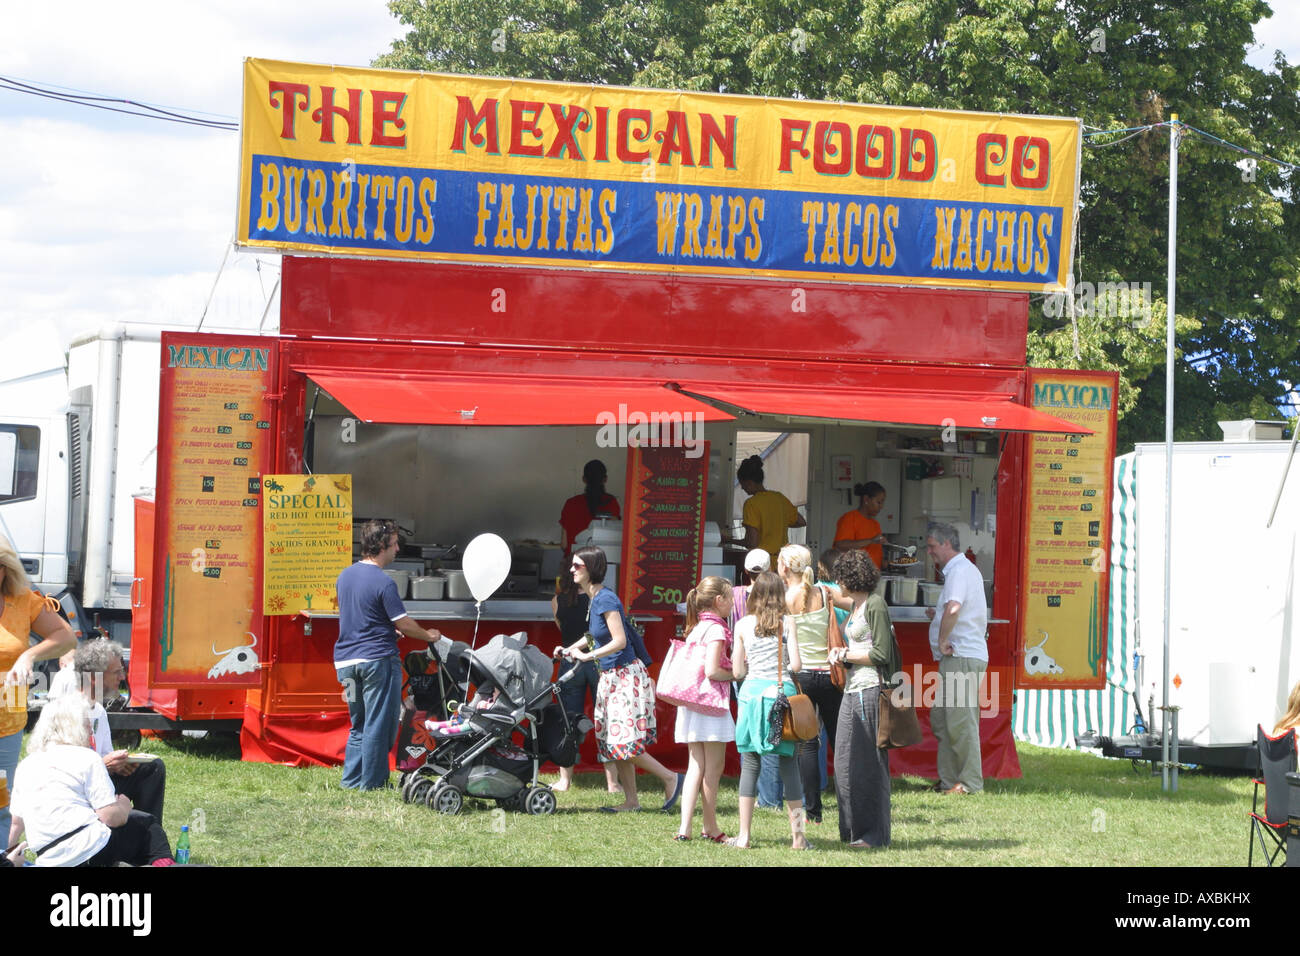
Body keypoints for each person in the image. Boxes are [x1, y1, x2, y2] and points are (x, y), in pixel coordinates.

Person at [556, 546, 680, 812]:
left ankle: (670, 777)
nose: (571, 570)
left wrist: (588, 657)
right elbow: (595, 637)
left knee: (626, 743)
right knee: (615, 742)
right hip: (612, 677)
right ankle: (632, 801)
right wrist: (571, 648)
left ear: (591, 569)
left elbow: (619, 640)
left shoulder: (605, 599)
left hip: (624, 677)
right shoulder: (595, 598)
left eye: (577, 566)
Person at [335, 519, 446, 791]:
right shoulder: (384, 583)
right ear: (382, 546)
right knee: (376, 724)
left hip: (346, 664)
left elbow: (358, 617)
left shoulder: (344, 576)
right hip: (376, 662)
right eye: (395, 544)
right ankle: (372, 784)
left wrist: (384, 630)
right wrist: (429, 635)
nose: (397, 549)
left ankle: (351, 782)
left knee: (358, 723)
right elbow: (405, 624)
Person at [9, 693, 173, 866]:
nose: (91, 730)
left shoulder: (26, 765)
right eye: (88, 724)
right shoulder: (87, 758)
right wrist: (123, 806)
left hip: (48, 858)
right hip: (89, 850)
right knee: (148, 826)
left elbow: (15, 824)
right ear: (75, 727)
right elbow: (111, 818)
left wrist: (7, 859)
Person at [0, 535, 76, 840]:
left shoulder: (24, 601)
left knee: (1, 792)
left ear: (5, 569)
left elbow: (65, 637)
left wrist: (29, 655)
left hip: (10, 712)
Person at [730, 571, 810, 850]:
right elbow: (797, 666)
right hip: (782, 695)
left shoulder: (742, 625)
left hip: (752, 696)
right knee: (790, 768)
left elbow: (738, 671)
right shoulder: (788, 623)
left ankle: (744, 836)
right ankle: (798, 837)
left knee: (750, 766)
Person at [829, 549, 899, 848]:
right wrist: (843, 658)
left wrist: (845, 654)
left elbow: (882, 654)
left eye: (839, 576)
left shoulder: (875, 605)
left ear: (849, 578)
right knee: (844, 762)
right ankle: (851, 831)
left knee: (868, 765)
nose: (836, 582)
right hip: (853, 689)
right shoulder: (857, 607)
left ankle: (873, 835)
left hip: (871, 690)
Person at [69, 638, 167, 824]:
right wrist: (103, 766)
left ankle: (148, 833)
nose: (122, 677)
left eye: (122, 671)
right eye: (116, 672)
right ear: (93, 677)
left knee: (151, 767)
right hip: (76, 797)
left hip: (96, 782)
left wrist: (120, 765)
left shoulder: (98, 710)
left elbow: (104, 755)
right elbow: (66, 774)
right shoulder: (68, 713)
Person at [778, 544, 841, 825]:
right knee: (841, 743)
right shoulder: (825, 593)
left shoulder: (782, 598)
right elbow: (857, 603)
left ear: (783, 568)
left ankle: (813, 812)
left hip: (800, 677)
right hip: (829, 675)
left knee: (807, 744)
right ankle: (848, 802)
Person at [925, 521, 988, 795]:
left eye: (932, 546)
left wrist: (941, 639)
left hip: (961, 656)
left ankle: (971, 784)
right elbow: (951, 610)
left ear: (947, 544)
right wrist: (937, 616)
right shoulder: (960, 571)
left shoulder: (959, 571)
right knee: (943, 720)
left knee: (961, 722)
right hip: (958, 658)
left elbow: (954, 608)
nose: (929, 552)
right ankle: (950, 780)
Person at [673, 576, 735, 843]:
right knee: (714, 768)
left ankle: (684, 828)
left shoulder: (696, 627)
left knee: (695, 765)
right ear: (719, 601)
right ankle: (710, 827)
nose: (733, 603)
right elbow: (712, 671)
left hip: (690, 703)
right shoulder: (717, 630)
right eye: (731, 598)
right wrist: (737, 673)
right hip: (710, 704)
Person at [549, 573, 619, 794]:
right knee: (606, 719)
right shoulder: (600, 597)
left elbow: (562, 628)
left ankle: (565, 780)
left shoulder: (556, 601)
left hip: (570, 661)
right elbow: (604, 631)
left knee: (568, 719)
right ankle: (613, 783)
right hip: (599, 660)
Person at [736, 455, 806, 566]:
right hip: (783, 563)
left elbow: (752, 543)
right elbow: (801, 521)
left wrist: (729, 541)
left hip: (762, 564)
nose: (742, 488)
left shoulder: (751, 504)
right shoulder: (779, 498)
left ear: (749, 482)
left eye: (742, 484)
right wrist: (779, 523)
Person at [559, 459, 621, 552]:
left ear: (584, 479)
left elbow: (564, 545)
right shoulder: (611, 502)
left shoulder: (570, 503)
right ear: (605, 479)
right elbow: (615, 539)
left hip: (574, 562)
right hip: (604, 563)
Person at [833, 481, 888, 570]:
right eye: (878, 502)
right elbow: (840, 545)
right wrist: (871, 540)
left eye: (882, 503)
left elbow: (875, 555)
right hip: (853, 577)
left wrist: (889, 564)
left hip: (873, 577)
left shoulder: (875, 524)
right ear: (866, 500)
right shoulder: (850, 518)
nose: (881, 507)